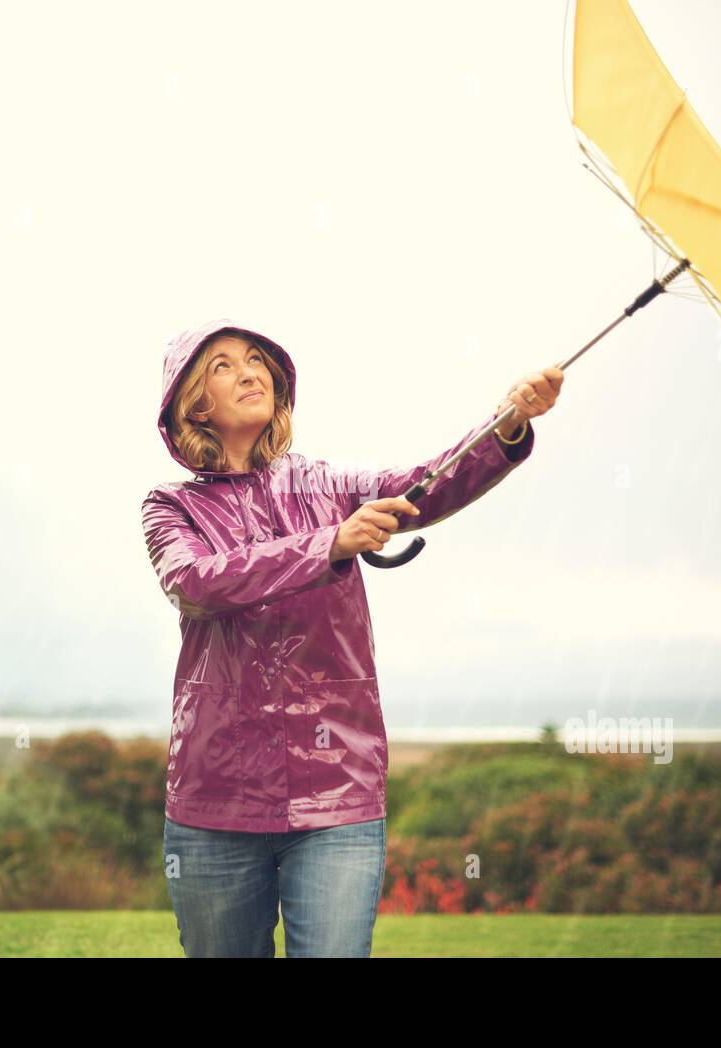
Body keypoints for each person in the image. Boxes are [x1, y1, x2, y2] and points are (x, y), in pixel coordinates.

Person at [141, 319, 562, 956]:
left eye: (257, 360)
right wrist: (328, 544)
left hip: (337, 794)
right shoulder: (171, 507)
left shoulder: (329, 487)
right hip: (214, 805)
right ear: (192, 402)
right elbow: (198, 583)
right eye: (223, 365)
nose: (250, 371)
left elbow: (431, 480)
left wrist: (504, 425)